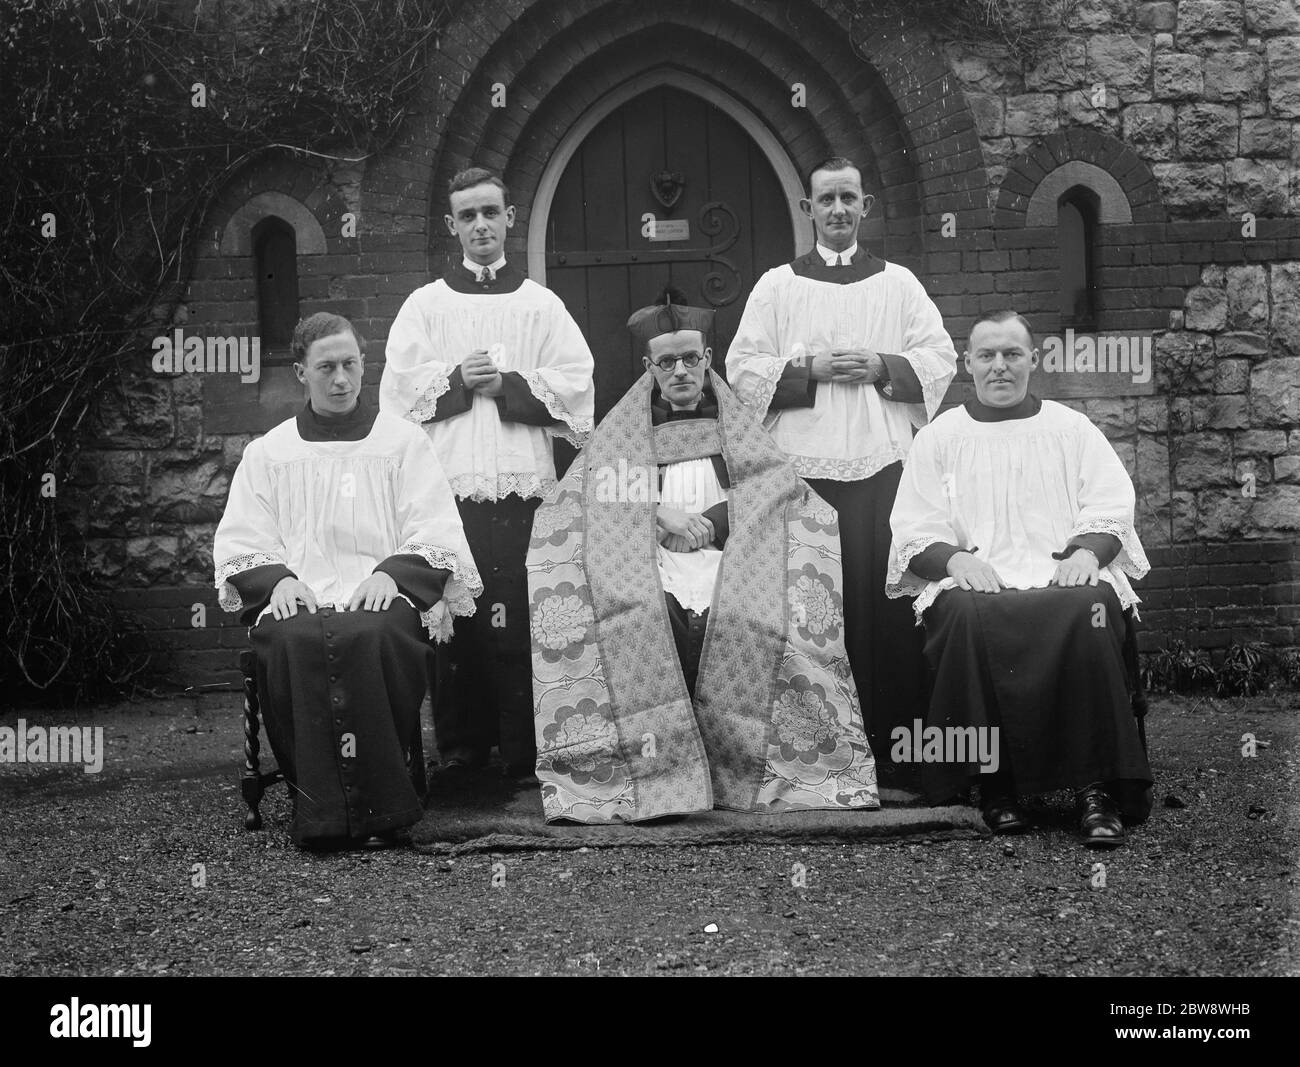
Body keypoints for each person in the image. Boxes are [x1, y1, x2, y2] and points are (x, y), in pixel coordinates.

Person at [526, 289, 879, 823]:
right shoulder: (626, 434)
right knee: (637, 619)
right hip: (652, 560)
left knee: (754, 618)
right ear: (650, 368)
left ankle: (745, 772)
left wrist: (714, 522)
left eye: (692, 358)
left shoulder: (740, 429)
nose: (682, 371)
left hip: (735, 555)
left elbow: (780, 492)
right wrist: (657, 515)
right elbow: (584, 499)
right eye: (668, 362)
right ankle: (653, 778)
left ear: (708, 360)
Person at [213, 312, 482, 848]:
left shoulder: (403, 443)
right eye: (326, 367)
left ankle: (383, 809)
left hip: (383, 592)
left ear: (365, 367)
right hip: (299, 593)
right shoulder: (270, 453)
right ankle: (319, 812)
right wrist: (277, 583)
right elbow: (243, 536)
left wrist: (395, 573)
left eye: (351, 365)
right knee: (292, 638)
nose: (341, 380)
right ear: (300, 373)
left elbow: (435, 525)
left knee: (371, 635)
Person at [726, 156, 957, 776]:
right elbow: (743, 368)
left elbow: (939, 357)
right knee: (814, 606)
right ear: (808, 209)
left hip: (881, 467)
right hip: (804, 471)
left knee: (881, 603)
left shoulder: (899, 284)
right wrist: (808, 371)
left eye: (848, 198)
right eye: (825, 200)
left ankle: (890, 748)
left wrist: (883, 367)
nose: (837, 210)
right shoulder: (777, 286)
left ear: (866, 206)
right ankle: (815, 750)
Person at [886, 309, 1153, 847]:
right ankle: (994, 784)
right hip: (977, 576)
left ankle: (1095, 787)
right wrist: (956, 562)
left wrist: (1086, 553)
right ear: (968, 363)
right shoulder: (941, 436)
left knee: (1091, 608)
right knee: (961, 612)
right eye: (987, 355)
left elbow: (1111, 502)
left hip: (1061, 571)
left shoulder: (1069, 427)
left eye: (1012, 354)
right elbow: (913, 523)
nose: (1000, 367)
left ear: (1033, 359)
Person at [381, 167, 595, 778]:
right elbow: (398, 394)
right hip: (450, 495)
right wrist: (454, 382)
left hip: (523, 492)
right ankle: (462, 748)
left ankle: (527, 750)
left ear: (509, 219)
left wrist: (507, 386)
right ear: (453, 226)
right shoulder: (426, 306)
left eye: (490, 213)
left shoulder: (540, 305)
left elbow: (576, 388)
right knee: (456, 621)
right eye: (468, 216)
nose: (480, 225)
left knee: (523, 615)